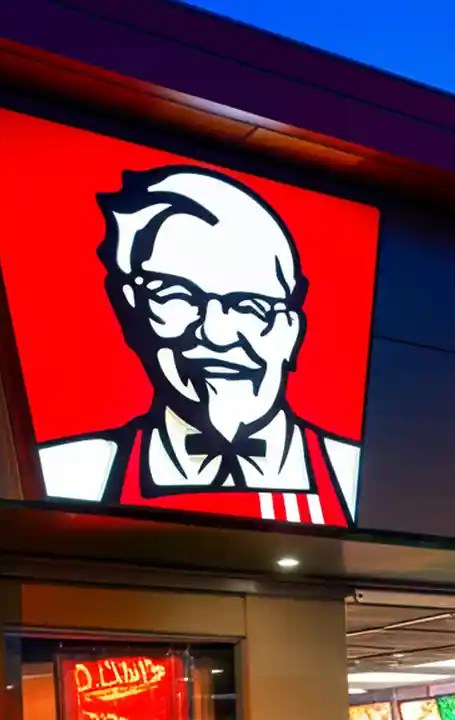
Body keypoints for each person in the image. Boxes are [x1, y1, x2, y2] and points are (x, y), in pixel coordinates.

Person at [37, 165, 360, 527]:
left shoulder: (351, 475)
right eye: (177, 297)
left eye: (250, 306)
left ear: (291, 330)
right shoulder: (71, 477)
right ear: (131, 312)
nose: (217, 333)